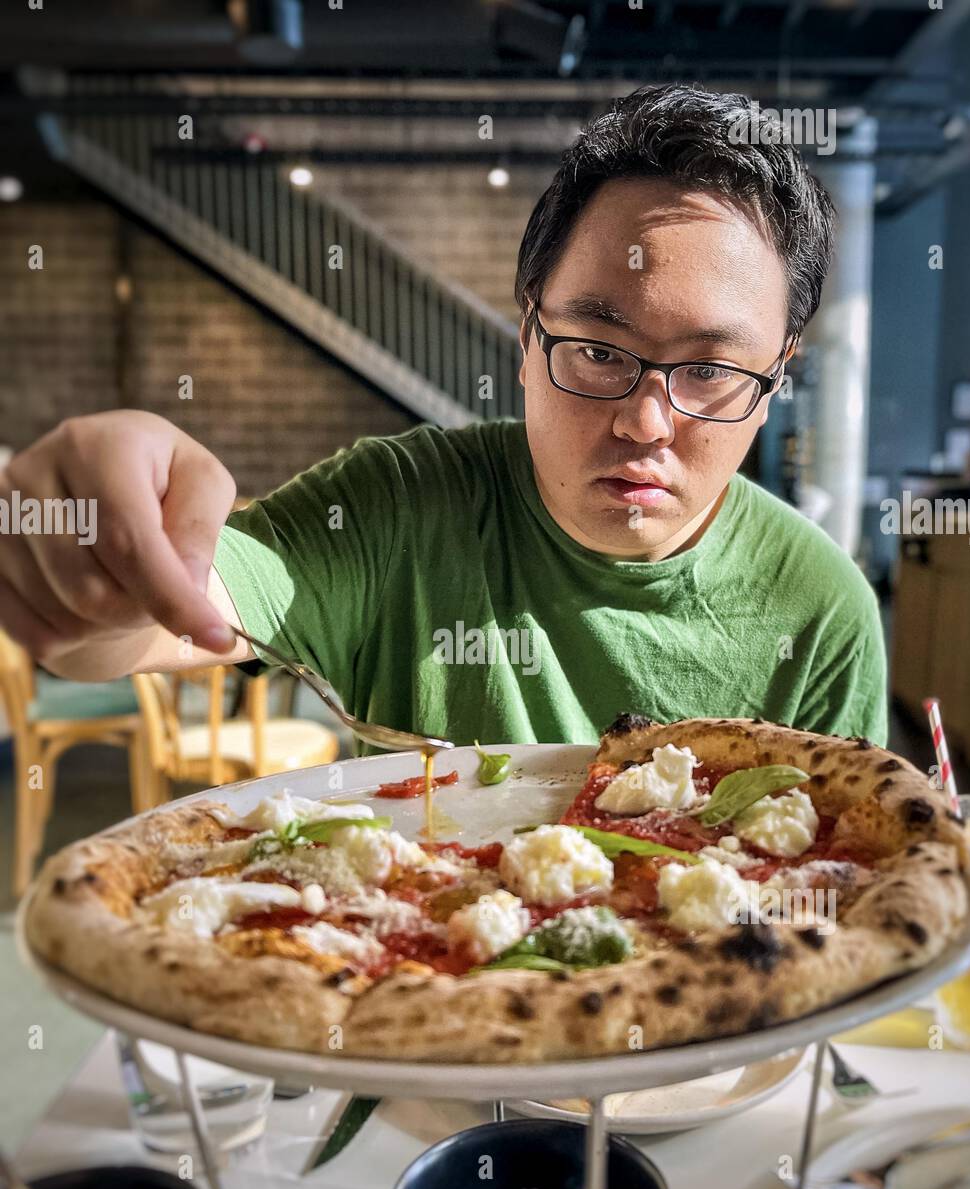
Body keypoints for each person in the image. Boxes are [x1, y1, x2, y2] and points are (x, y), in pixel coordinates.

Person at [0, 84, 887, 748]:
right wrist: (96, 567)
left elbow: (837, 892)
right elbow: (172, 611)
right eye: (598, 351)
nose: (647, 422)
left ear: (775, 380)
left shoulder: (817, 610)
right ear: (525, 337)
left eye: (708, 369)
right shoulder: (398, 509)